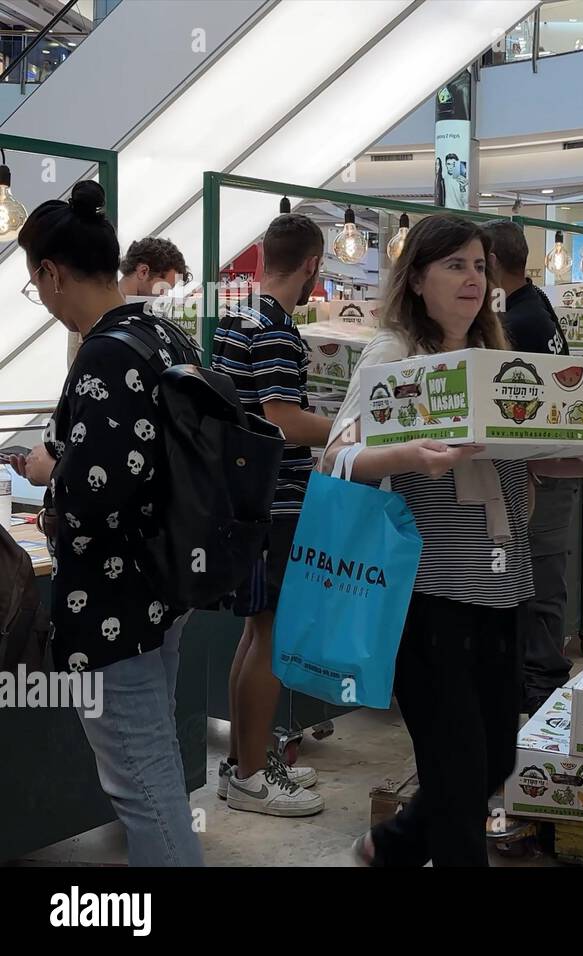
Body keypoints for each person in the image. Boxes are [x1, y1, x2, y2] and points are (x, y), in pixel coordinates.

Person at [322, 215, 583, 867]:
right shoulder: (395, 358)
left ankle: (393, 846)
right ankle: (406, 847)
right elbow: (338, 460)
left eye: (479, 266)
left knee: (493, 756)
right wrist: (411, 453)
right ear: (418, 279)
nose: (471, 279)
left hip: (502, 585)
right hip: (427, 593)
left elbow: (512, 456)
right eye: (454, 265)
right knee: (459, 776)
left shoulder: (496, 361)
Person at [12, 181, 203, 865]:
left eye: (38, 286)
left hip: (114, 600)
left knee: (142, 783)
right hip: (165, 584)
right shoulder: (158, 332)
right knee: (157, 768)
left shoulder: (104, 352)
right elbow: (142, 453)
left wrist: (50, 475)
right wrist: (66, 458)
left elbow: (101, 493)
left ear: (52, 273)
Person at [211, 214, 334, 817]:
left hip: (242, 501)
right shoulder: (280, 334)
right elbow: (282, 420)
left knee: (256, 630)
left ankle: (244, 762)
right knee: (273, 633)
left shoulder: (237, 321)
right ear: (312, 264)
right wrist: (347, 427)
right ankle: (253, 775)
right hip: (274, 502)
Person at [481, 220, 574, 716]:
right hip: (545, 470)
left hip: (538, 473)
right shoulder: (533, 306)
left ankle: (540, 693)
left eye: (476, 262)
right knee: (539, 581)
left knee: (535, 584)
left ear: (493, 262)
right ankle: (535, 686)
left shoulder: (518, 321)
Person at [118, 237, 188, 298]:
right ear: (143, 272)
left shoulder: (111, 300)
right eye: (163, 288)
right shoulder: (115, 308)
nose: (164, 295)